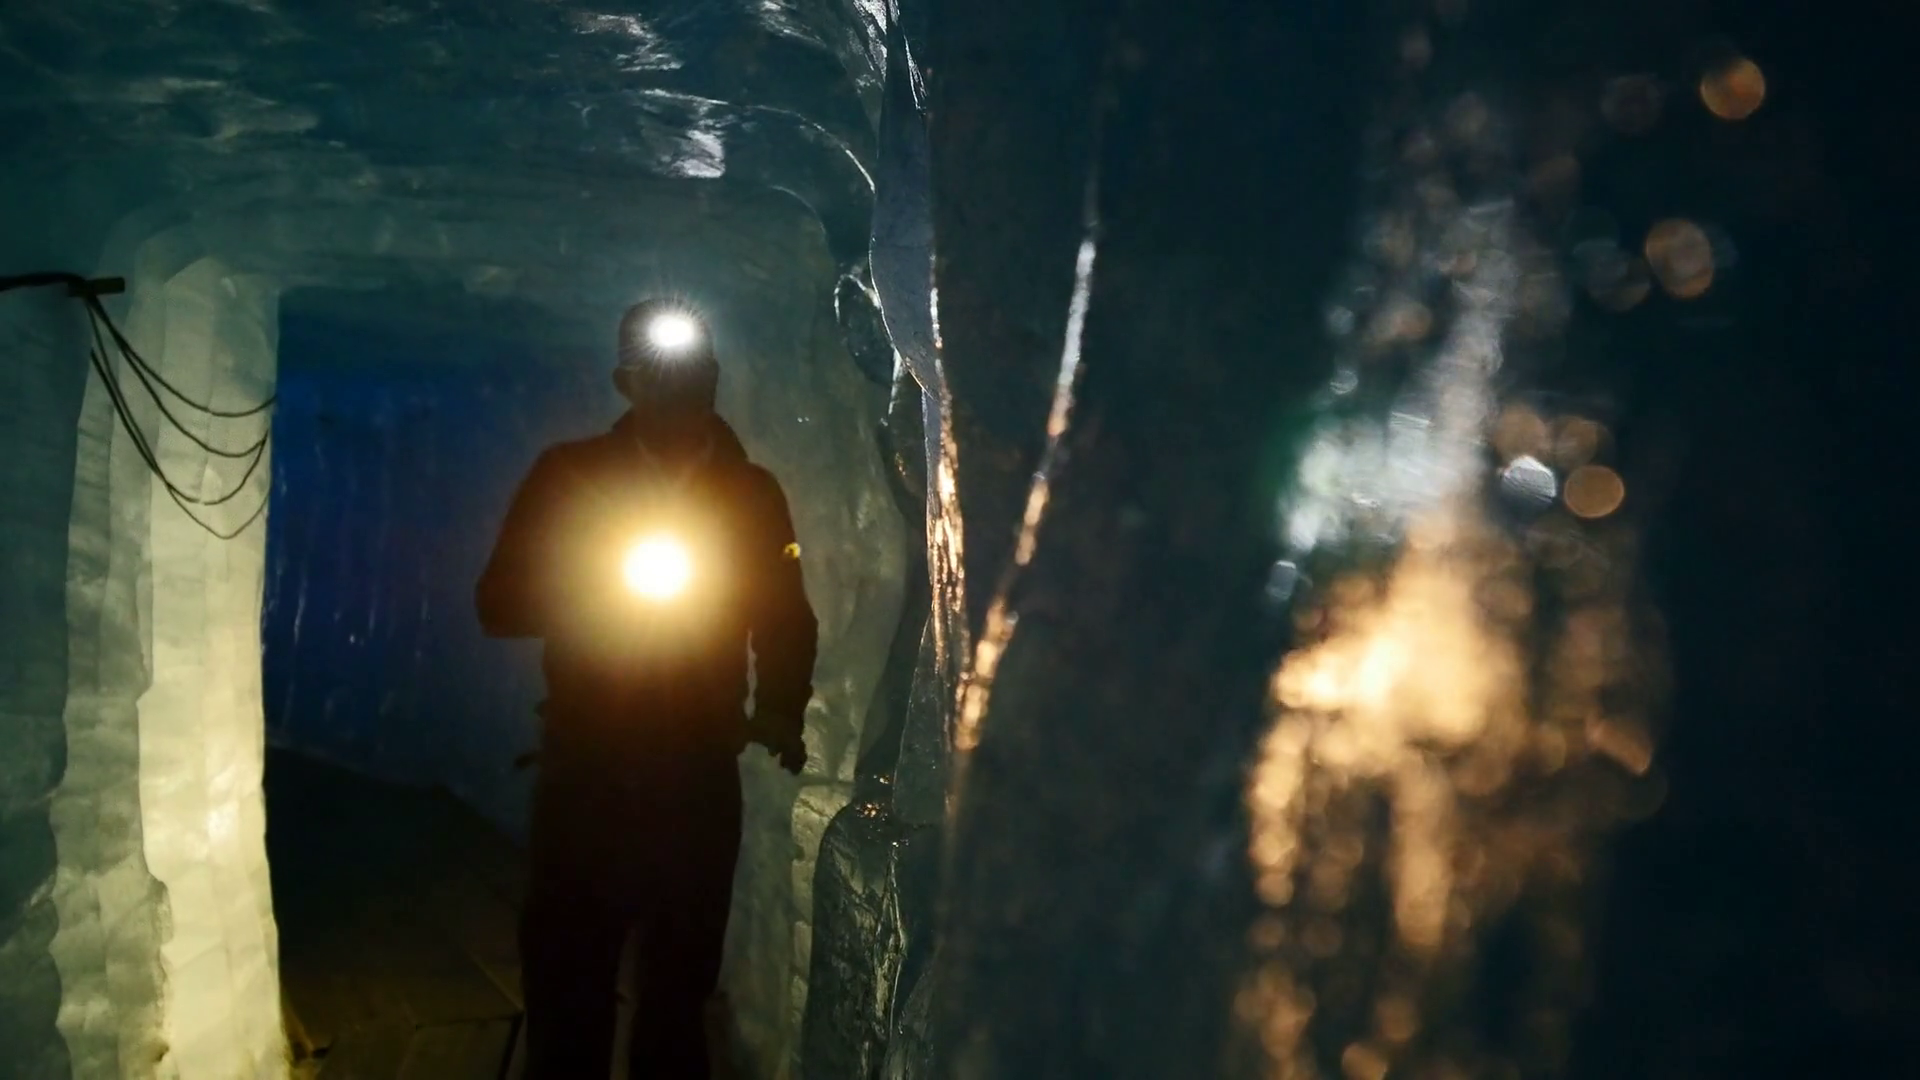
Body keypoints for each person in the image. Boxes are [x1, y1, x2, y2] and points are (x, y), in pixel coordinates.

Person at [476, 299, 817, 1079]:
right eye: (664, 372)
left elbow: (786, 616)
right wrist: (584, 585)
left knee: (677, 987)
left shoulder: (752, 494)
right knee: (569, 984)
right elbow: (496, 602)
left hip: (694, 773)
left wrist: (779, 709)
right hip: (587, 767)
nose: (686, 386)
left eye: (698, 369)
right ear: (625, 382)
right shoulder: (569, 477)